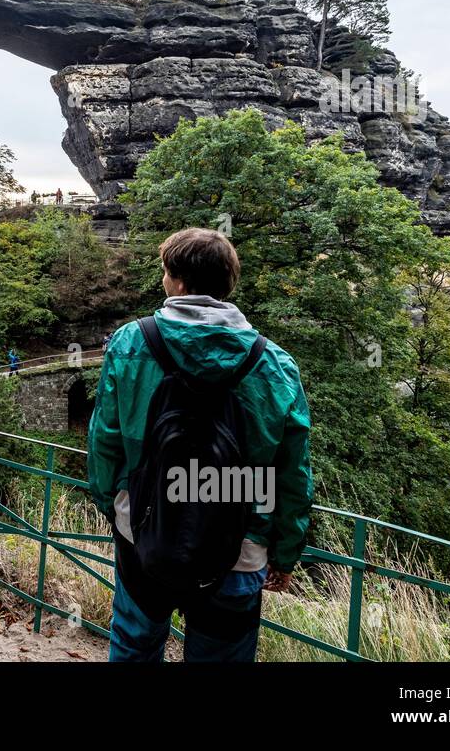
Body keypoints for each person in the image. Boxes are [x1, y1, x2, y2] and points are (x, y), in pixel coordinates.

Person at [87, 227, 313, 662]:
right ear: (228, 284)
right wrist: (284, 552)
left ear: (176, 280)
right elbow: (293, 471)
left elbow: (104, 439)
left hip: (144, 530)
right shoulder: (275, 363)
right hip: (240, 543)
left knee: (135, 645)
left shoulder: (132, 342)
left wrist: (113, 503)